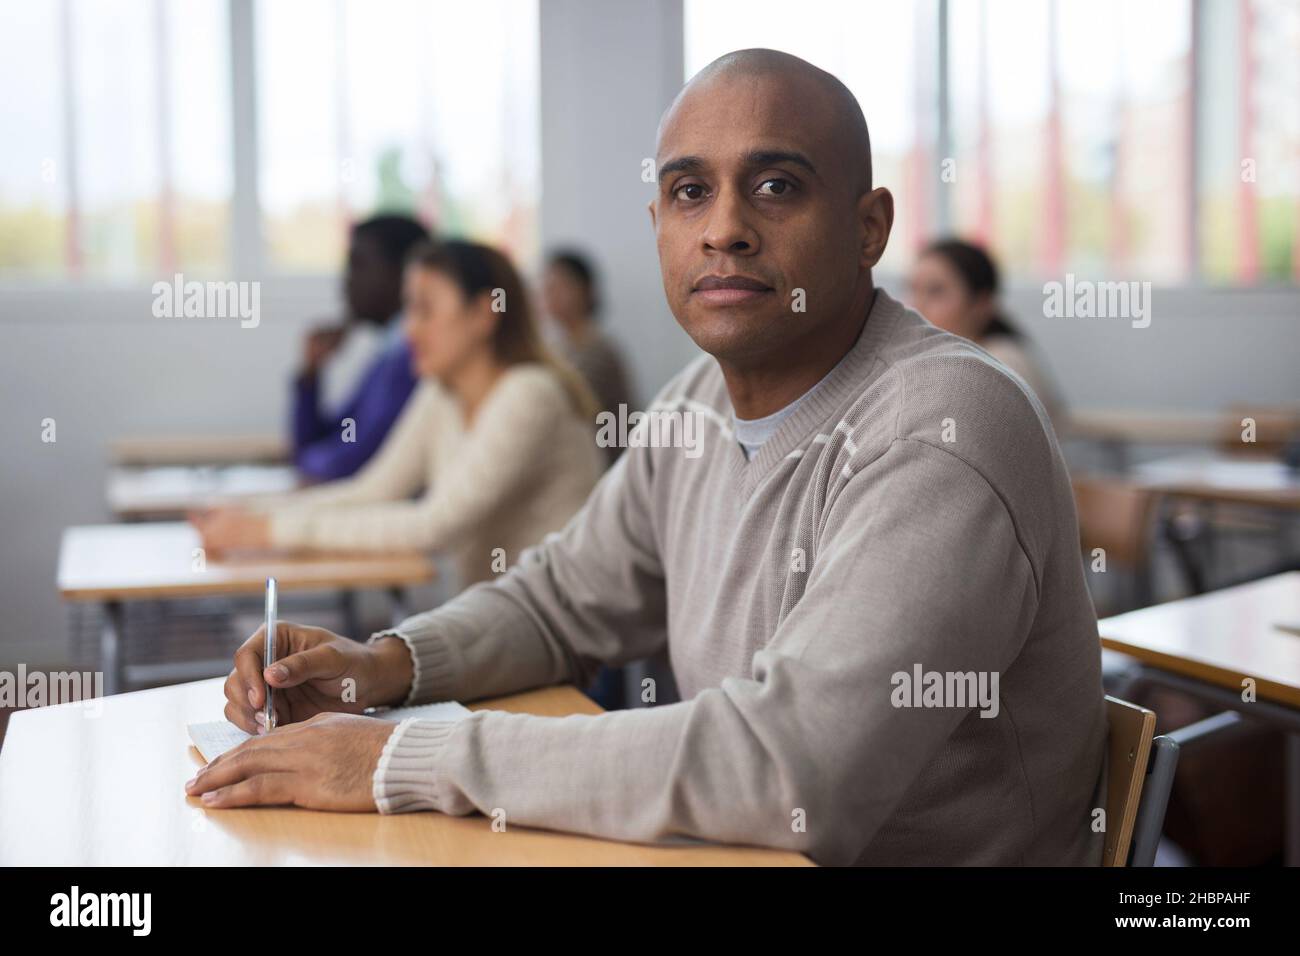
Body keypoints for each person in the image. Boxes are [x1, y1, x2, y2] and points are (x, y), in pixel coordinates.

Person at [189, 50, 1107, 867]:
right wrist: (387, 664)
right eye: (688, 191)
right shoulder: (697, 405)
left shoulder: (944, 425)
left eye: (777, 185)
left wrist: (398, 758)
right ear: (659, 223)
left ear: (869, 228)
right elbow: (560, 603)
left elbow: (790, 769)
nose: (725, 229)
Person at [192, 240, 603, 589]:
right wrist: (254, 513)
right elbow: (371, 491)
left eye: (425, 310)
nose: (409, 330)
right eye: (409, 310)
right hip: (498, 620)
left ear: (482, 313)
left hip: (566, 640)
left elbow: (433, 527)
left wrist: (265, 532)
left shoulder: (529, 394)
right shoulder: (442, 392)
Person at [292, 215, 431, 481]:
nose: (346, 282)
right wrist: (310, 375)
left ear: (403, 275)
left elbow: (352, 464)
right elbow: (327, 439)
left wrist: (307, 461)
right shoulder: (387, 356)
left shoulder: (413, 362)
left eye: (358, 265)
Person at [908, 238, 1066, 432]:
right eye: (912, 289)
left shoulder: (1000, 366)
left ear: (981, 303)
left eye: (936, 292)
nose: (915, 306)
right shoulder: (950, 362)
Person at [542, 249, 636, 467]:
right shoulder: (559, 347)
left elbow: (566, 407)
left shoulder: (599, 350)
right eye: (547, 287)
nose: (549, 294)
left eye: (558, 286)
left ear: (585, 291)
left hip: (607, 469)